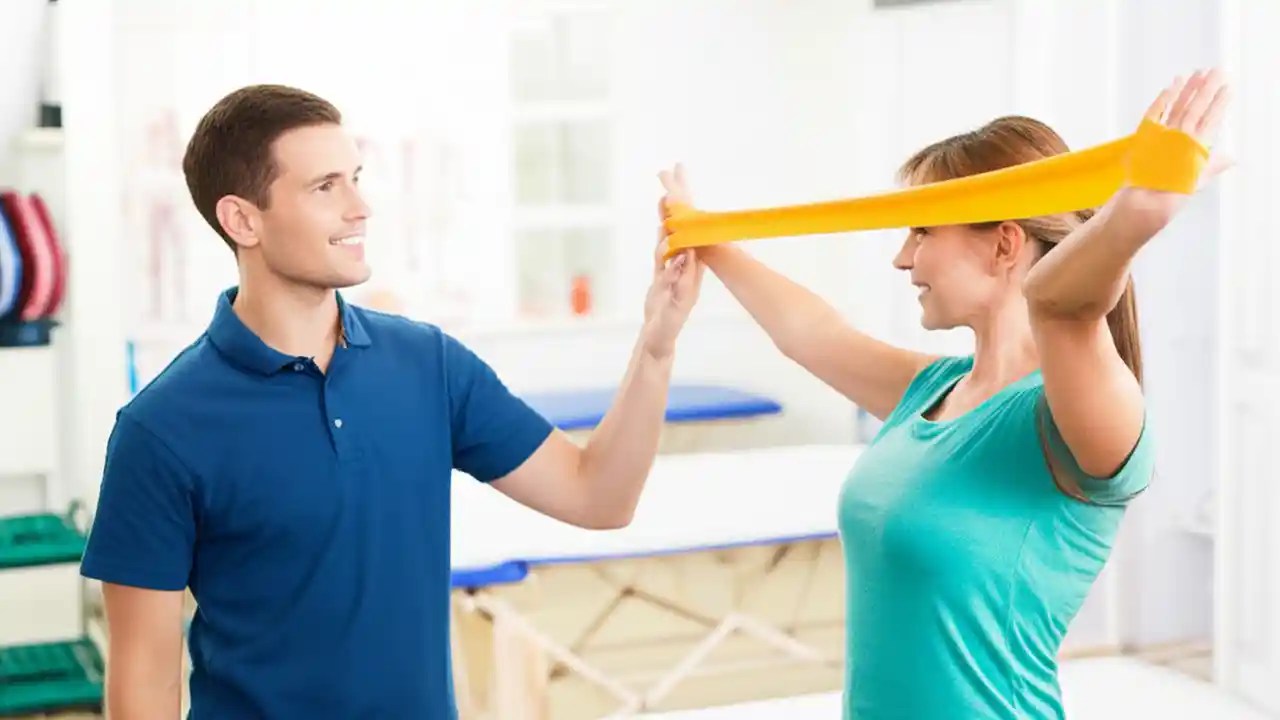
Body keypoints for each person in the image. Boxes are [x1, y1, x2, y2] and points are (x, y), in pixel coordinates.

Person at [80, 84, 704, 719]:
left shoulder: (429, 365)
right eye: (326, 187)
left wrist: (656, 346)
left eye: (355, 178)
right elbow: (144, 684)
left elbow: (599, 496)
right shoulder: (161, 429)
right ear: (243, 220)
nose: (361, 207)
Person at [659, 68, 1229, 719]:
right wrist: (704, 236)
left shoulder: (1079, 419)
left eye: (923, 232)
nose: (904, 259)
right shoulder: (933, 389)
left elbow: (1060, 305)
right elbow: (811, 333)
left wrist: (1136, 215)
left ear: (1004, 244)